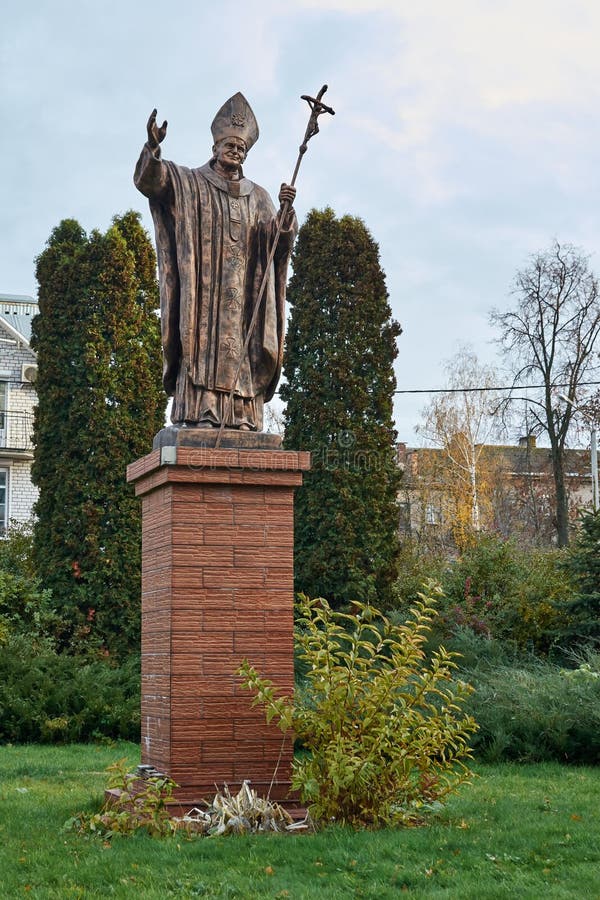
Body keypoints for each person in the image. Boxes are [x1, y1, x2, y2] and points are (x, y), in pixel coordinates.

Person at [134, 92, 297, 431]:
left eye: (241, 149)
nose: (236, 153)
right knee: (200, 349)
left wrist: (284, 215)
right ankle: (201, 413)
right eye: (230, 147)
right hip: (204, 295)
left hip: (244, 301)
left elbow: (275, 247)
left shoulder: (260, 197)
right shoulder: (190, 182)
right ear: (215, 148)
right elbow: (154, 182)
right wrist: (153, 149)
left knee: (242, 353)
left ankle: (240, 417)